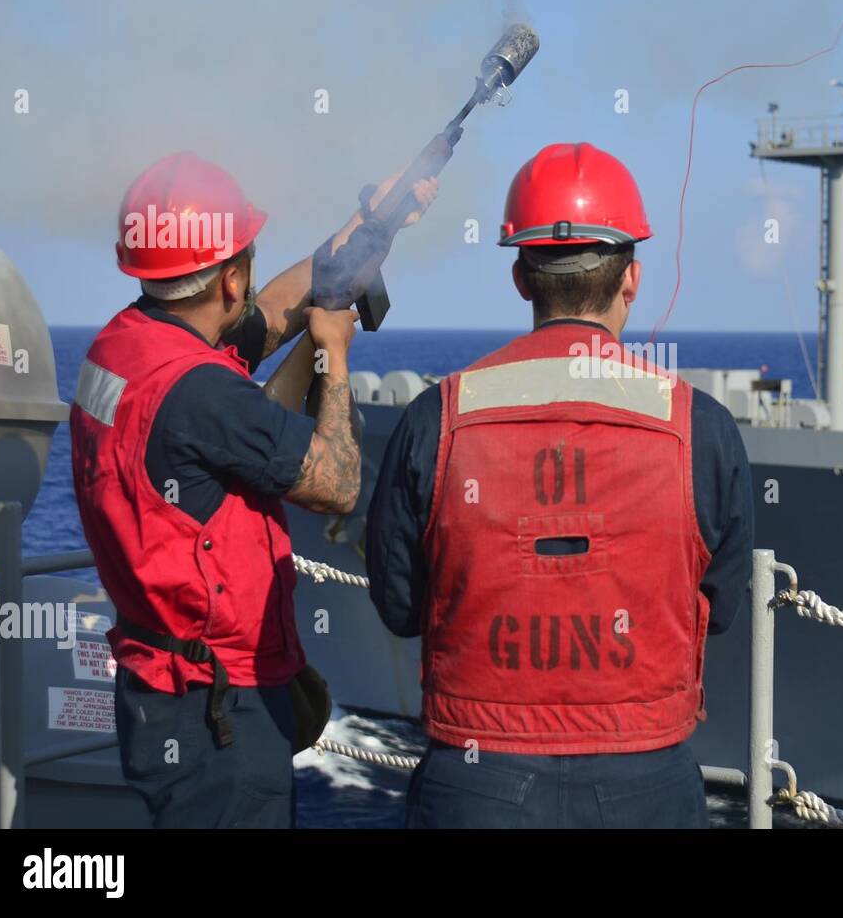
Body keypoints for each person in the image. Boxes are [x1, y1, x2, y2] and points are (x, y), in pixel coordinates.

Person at [366, 142, 754, 829]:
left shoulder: (439, 420)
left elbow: (400, 605)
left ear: (521, 276)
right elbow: (718, 608)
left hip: (477, 779)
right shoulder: (701, 428)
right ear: (630, 279)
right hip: (646, 780)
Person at [70, 151, 436, 828]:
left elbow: (266, 315)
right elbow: (337, 483)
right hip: (220, 714)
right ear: (231, 277)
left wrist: (371, 225)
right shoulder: (204, 394)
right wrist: (332, 350)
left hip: (159, 688)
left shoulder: (126, 344)